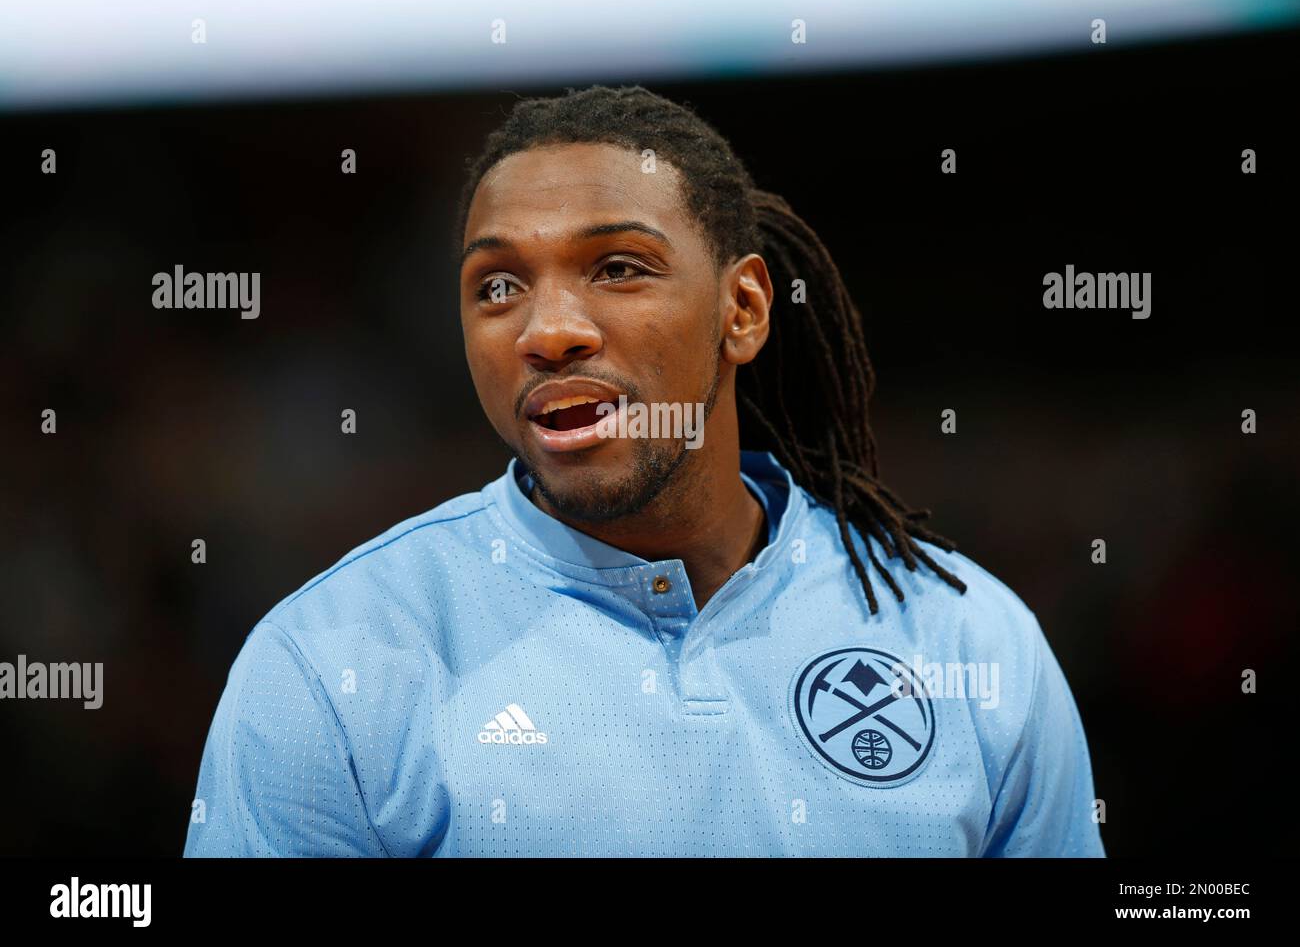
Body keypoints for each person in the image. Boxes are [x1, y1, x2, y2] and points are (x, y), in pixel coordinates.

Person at [183, 85, 1104, 857]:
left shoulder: (968, 643)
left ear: (742, 309)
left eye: (618, 267)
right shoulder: (328, 667)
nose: (547, 332)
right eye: (496, 285)